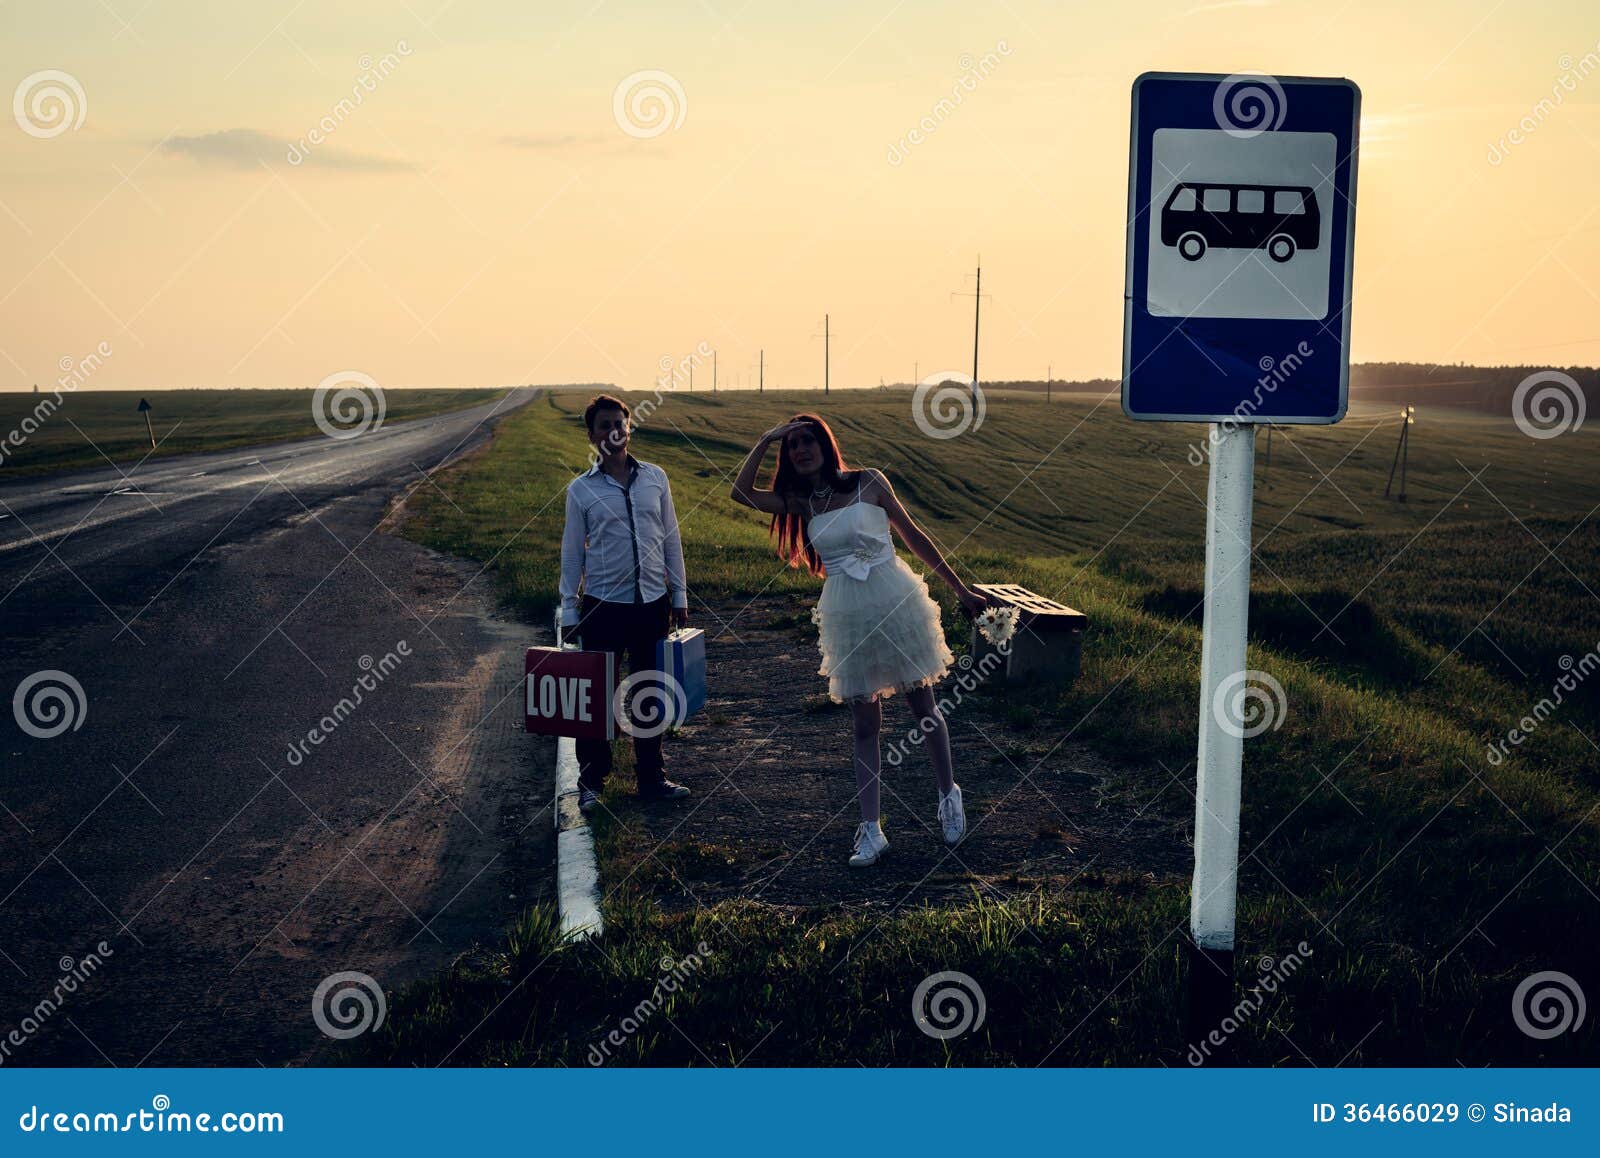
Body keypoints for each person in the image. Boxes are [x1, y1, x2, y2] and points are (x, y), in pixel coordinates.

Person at [730, 414, 987, 867]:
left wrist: (961, 590)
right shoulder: (802, 501)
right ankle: (871, 829)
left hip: (895, 599)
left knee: (923, 707)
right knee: (865, 725)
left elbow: (914, 536)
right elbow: (742, 493)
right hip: (847, 612)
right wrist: (766, 438)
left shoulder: (869, 481)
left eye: (808, 441)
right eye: (792, 446)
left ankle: (949, 795)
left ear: (825, 445)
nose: (801, 450)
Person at [560, 394, 691, 813]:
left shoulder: (656, 478)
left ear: (629, 428)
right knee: (596, 699)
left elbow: (671, 537)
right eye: (604, 426)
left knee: (648, 694)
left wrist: (680, 593)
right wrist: (569, 607)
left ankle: (652, 779)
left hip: (652, 604)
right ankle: (592, 782)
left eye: (620, 423)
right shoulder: (581, 490)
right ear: (592, 434)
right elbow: (572, 553)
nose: (614, 432)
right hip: (602, 607)